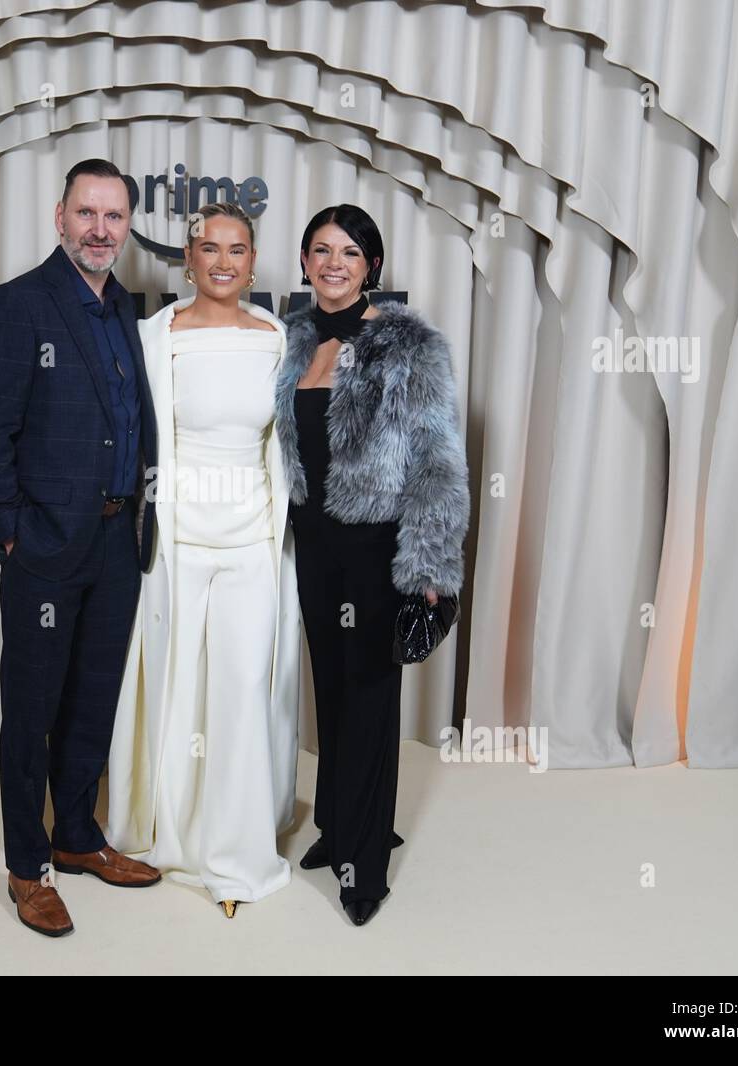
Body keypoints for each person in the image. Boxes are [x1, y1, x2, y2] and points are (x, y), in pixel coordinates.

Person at [0, 159, 164, 938]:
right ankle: (27, 868)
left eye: (115, 217)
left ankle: (77, 837)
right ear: (60, 216)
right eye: (88, 213)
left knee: (93, 698)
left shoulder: (122, 311)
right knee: (33, 711)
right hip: (45, 544)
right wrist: (14, 528)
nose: (101, 229)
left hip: (117, 539)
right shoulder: (19, 304)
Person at [274, 204, 471, 926]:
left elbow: (438, 460)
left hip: (377, 544)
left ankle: (364, 866)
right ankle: (336, 826)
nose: (333, 263)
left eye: (350, 253)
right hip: (314, 545)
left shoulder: (409, 345)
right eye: (321, 250)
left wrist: (430, 564)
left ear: (372, 268)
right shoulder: (293, 340)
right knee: (331, 687)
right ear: (303, 261)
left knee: (369, 696)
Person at [106, 202, 301, 918]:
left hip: (253, 540)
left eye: (239, 249)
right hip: (179, 539)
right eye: (210, 248)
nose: (223, 261)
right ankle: (175, 833)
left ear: (254, 261)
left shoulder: (278, 337)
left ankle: (237, 848)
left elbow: (288, 443)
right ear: (188, 260)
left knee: (243, 689)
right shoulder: (155, 336)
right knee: (179, 686)